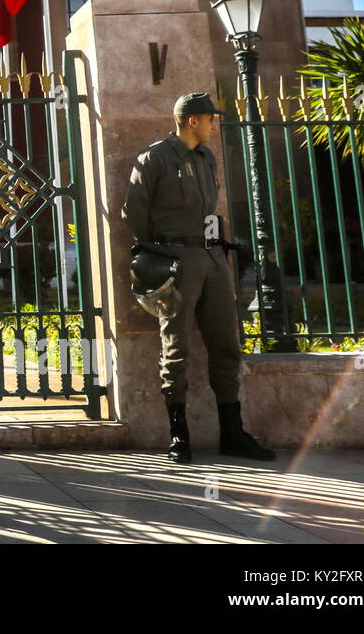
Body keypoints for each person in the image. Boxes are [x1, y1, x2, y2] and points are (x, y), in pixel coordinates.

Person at [122, 92, 275, 464]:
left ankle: (233, 433)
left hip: (213, 258)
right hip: (176, 261)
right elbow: (134, 214)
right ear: (192, 120)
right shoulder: (154, 158)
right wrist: (160, 250)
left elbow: (211, 207)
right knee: (176, 348)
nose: (214, 124)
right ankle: (179, 433)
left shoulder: (206, 157)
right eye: (210, 118)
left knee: (225, 344)